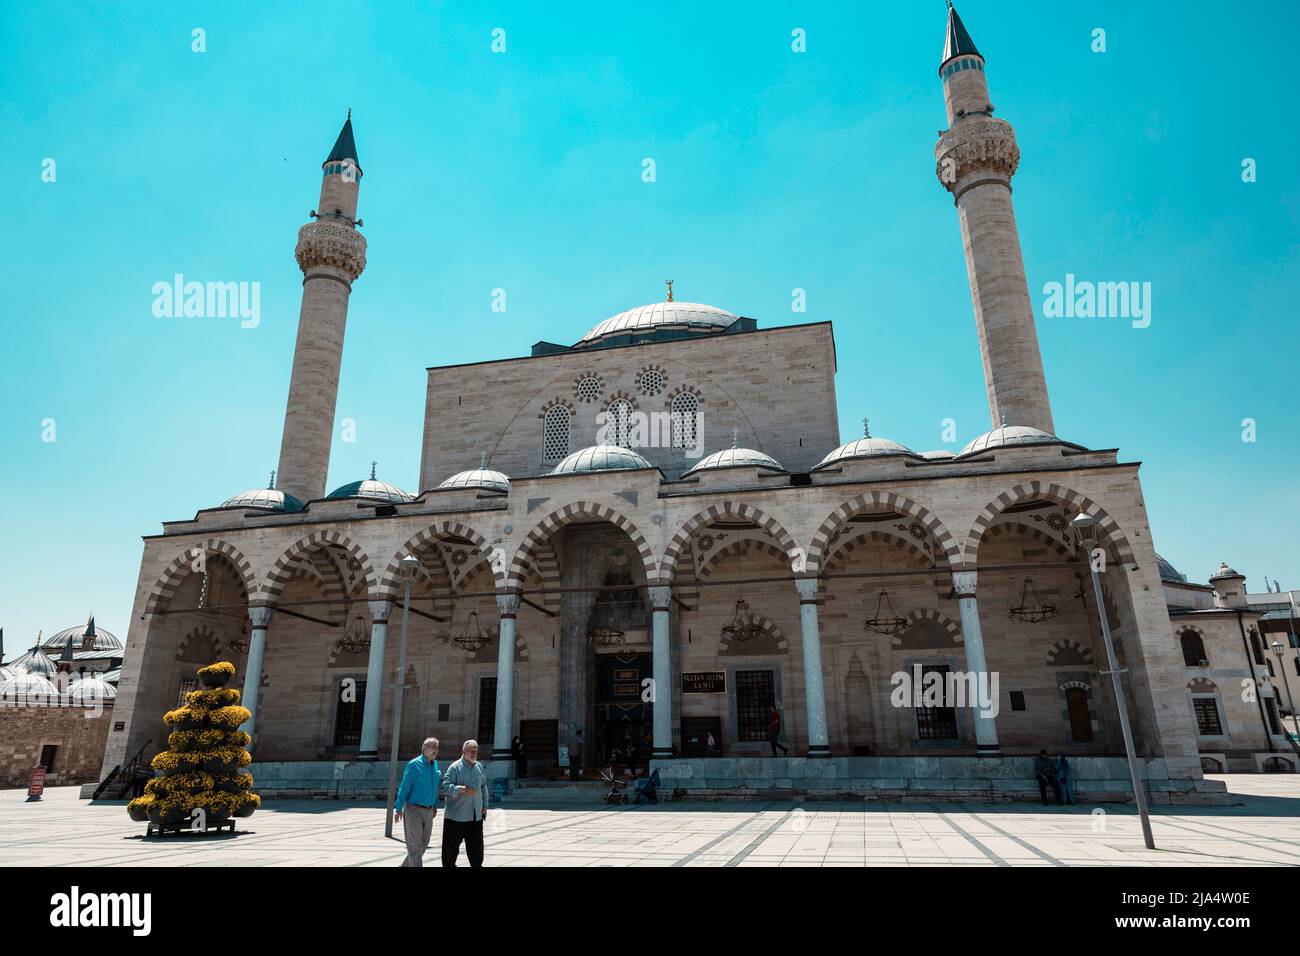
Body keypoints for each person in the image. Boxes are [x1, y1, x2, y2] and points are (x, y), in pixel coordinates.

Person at [441, 739, 489, 867]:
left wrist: (485, 806)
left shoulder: (478, 767)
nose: (474, 754)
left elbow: (483, 787)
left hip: (475, 817)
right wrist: (461, 789)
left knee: (477, 853)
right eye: (471, 751)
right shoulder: (455, 767)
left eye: (476, 751)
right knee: (450, 853)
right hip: (456, 818)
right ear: (463, 751)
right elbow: (445, 787)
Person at [394, 737, 440, 867]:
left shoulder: (435, 764)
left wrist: (435, 805)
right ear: (424, 749)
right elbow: (404, 787)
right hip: (413, 809)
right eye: (433, 747)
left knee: (424, 844)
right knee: (415, 847)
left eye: (437, 747)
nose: (435, 750)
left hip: (429, 810)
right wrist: (398, 808)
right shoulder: (414, 765)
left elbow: (434, 787)